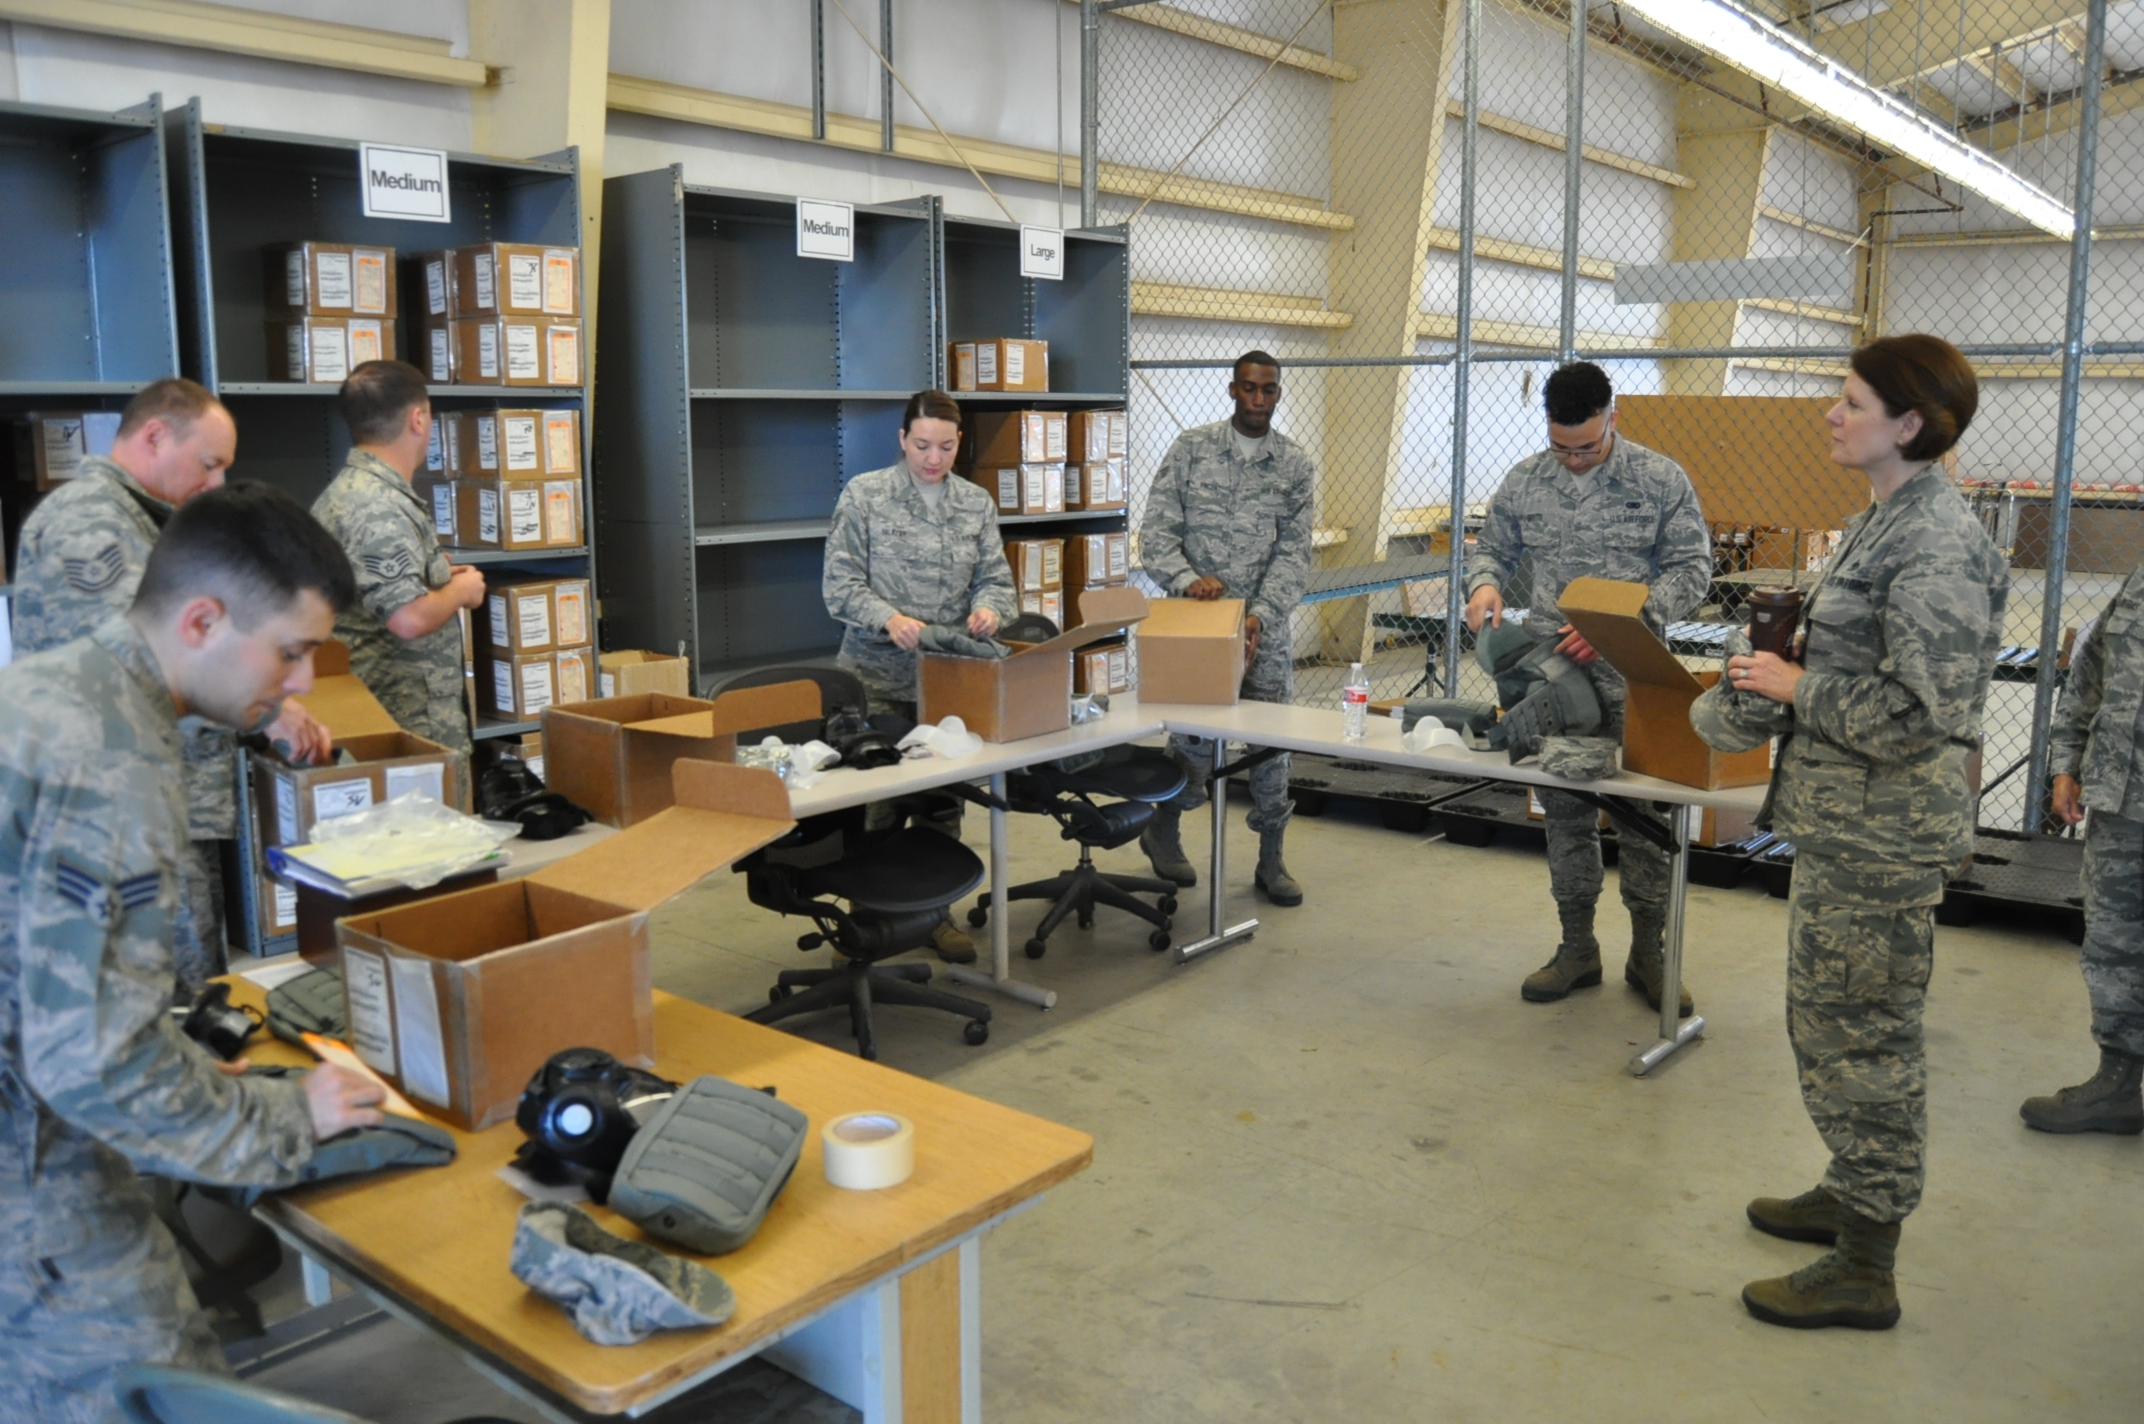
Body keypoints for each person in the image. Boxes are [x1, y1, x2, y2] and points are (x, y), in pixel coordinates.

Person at [0, 484, 387, 1421]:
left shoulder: (49, 688)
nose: (301, 682)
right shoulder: (114, 758)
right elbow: (94, 1063)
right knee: (159, 1385)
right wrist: (291, 1118)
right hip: (30, 1174)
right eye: (292, 651)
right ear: (203, 618)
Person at [1692, 334, 2006, 1331]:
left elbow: (1923, 714)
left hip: (1882, 835)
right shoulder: (1878, 523)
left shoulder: (1936, 543)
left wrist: (1795, 684)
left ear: (1906, 423)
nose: (1831, 414)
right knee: (1828, 1024)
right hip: (1841, 825)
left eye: (1850, 401)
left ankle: (1865, 1262)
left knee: (1862, 1036)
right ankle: (1851, 1186)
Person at [11, 378, 328, 991]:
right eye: (208, 464)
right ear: (155, 435)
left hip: (156, 789)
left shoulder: (142, 521)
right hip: (115, 805)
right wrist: (268, 713)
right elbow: (140, 667)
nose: (213, 485)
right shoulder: (94, 525)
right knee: (171, 998)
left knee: (194, 986)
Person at [1465, 361, 1710, 1012]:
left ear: (1613, 419)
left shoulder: (1659, 480)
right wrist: (1485, 583)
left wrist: (1623, 618)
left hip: (1634, 667)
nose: (1574, 461)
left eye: (1588, 447)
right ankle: (1577, 946)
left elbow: (1694, 572)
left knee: (1645, 816)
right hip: (1554, 670)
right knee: (1566, 809)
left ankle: (1648, 954)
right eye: (1561, 447)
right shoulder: (1526, 480)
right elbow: (1490, 549)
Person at [822, 389, 1017, 963]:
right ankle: (868, 926)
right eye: (923, 445)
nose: (934, 458)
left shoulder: (975, 503)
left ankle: (935, 915)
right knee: (875, 810)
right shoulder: (866, 496)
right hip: (876, 678)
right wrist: (888, 617)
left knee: (942, 805)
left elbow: (997, 580)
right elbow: (840, 586)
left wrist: (990, 609)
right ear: (902, 439)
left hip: (947, 681)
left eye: (947, 447)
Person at [1137, 351, 1316, 906]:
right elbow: (1155, 536)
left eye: (1268, 390)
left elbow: (1295, 553)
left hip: (1265, 630)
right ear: (1232, 389)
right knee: (1192, 738)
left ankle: (1271, 857)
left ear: (1278, 393)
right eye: (1248, 389)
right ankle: (1164, 828)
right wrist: (1189, 580)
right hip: (1196, 629)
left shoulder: (1293, 464)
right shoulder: (1191, 450)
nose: (1258, 400)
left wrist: (1259, 614)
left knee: (1270, 748)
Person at [2020, 570, 2144, 1134]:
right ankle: (2118, 1083)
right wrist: (2067, 760)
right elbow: (2093, 668)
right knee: (2115, 945)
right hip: (2124, 803)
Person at [311, 360, 485, 759]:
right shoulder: (377, 504)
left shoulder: (356, 491)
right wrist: (460, 591)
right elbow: (408, 618)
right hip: (403, 727)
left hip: (394, 719)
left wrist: (435, 577)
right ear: (418, 418)